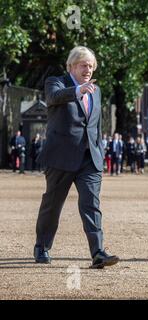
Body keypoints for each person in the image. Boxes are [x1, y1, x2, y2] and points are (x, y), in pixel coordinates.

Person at [34, 46, 119, 268]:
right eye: (83, 65)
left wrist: (99, 153)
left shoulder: (96, 90)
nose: (88, 69)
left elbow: (96, 126)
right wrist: (78, 90)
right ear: (71, 66)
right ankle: (42, 247)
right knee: (53, 205)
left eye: (91, 66)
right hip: (61, 157)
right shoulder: (56, 82)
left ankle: (98, 253)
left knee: (91, 204)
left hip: (89, 159)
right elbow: (53, 98)